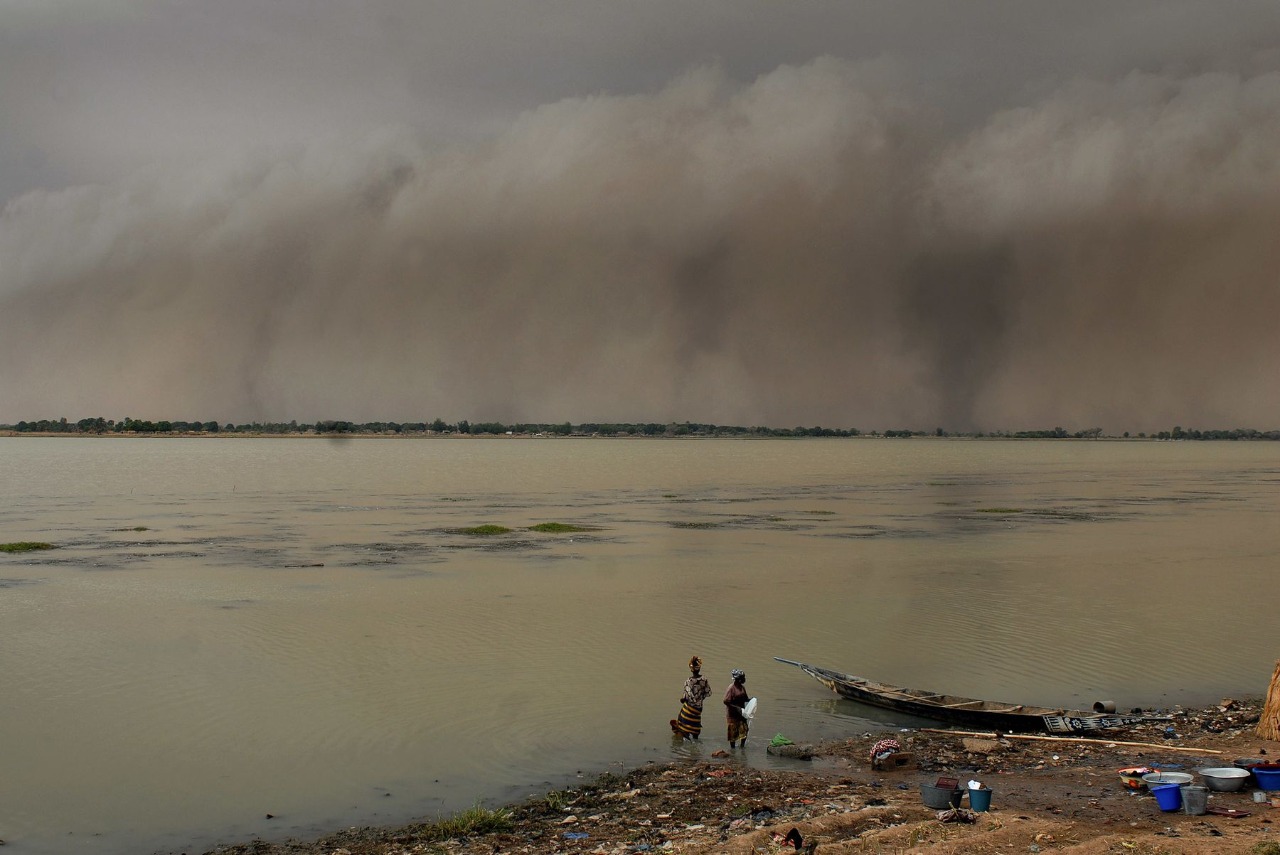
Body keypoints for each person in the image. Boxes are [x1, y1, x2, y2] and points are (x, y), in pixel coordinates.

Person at [670, 656, 712, 740]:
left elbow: (686, 697)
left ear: (691, 669)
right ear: (699, 668)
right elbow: (708, 693)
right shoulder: (704, 679)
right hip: (698, 708)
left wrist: (682, 700)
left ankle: (685, 738)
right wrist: (700, 698)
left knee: (683, 725)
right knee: (695, 726)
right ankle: (695, 739)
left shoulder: (688, 681)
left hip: (689, 708)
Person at [724, 669, 751, 748]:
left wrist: (751, 700)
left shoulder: (742, 687)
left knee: (744, 730)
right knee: (733, 734)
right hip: (732, 715)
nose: (744, 679)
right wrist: (737, 708)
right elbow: (726, 701)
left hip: (742, 714)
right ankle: (733, 750)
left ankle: (742, 747)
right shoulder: (731, 688)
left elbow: (745, 698)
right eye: (742, 678)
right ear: (738, 679)